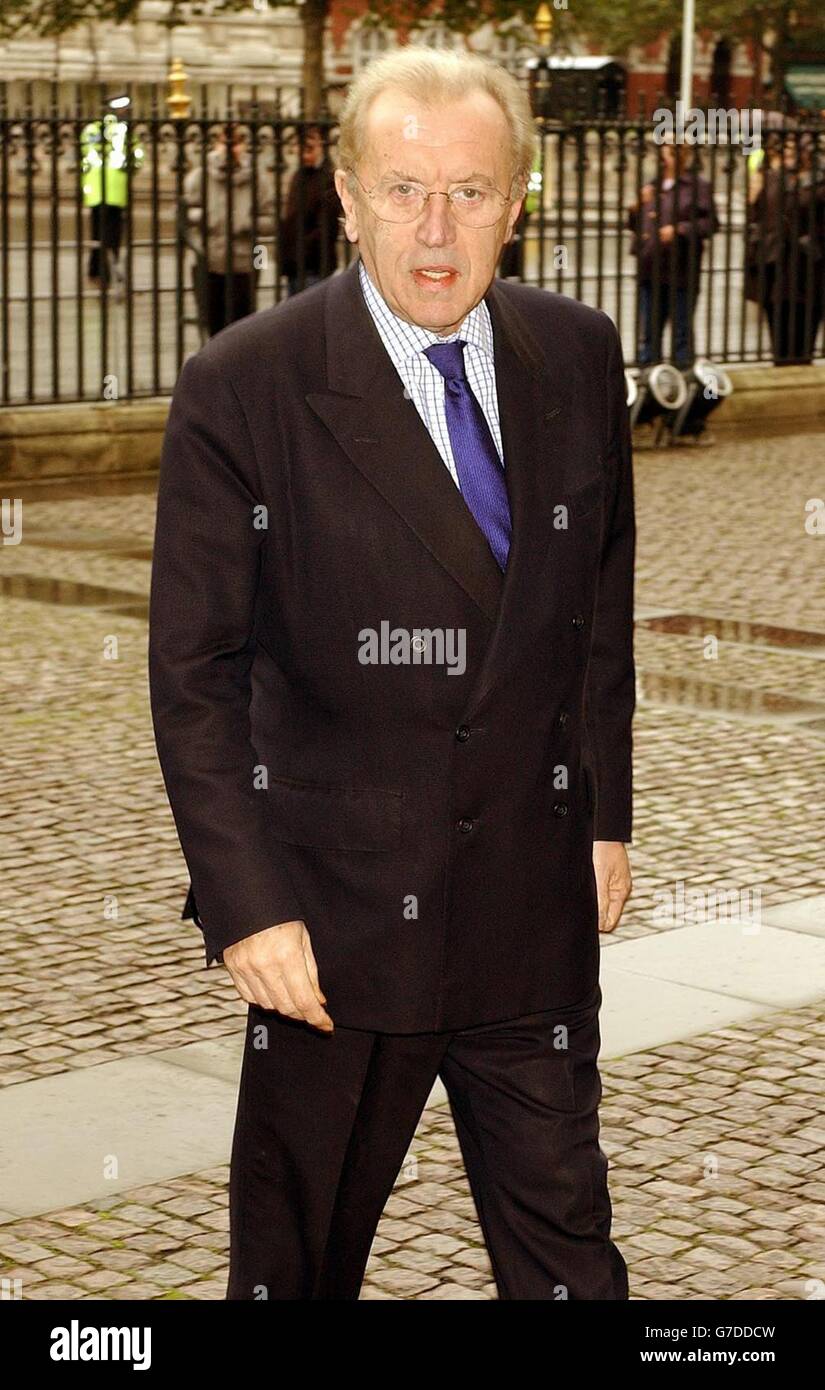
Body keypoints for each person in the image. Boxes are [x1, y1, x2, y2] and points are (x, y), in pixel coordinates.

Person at [149, 46, 635, 1302]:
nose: (436, 228)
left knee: (572, 1263)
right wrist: (248, 906)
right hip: (337, 936)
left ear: (517, 203)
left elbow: (596, 611)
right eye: (404, 189)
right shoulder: (242, 388)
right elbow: (195, 672)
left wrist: (604, 815)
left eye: (470, 192)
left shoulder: (578, 355)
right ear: (348, 198)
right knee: (298, 1267)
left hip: (529, 919)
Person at [627, 137, 719, 368]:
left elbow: (711, 224)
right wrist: (636, 206)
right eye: (664, 152)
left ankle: (683, 378)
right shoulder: (653, 185)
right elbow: (633, 225)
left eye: (671, 152)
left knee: (681, 332)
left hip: (681, 271)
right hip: (650, 268)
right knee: (649, 332)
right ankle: (649, 378)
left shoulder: (698, 187)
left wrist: (680, 229)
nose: (665, 157)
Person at [182, 125, 275, 337]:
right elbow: (183, 213)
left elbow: (271, 219)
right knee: (212, 327)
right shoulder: (200, 176)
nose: (231, 148)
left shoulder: (257, 178)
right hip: (207, 261)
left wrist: (248, 223)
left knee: (242, 329)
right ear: (217, 144)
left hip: (245, 264)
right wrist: (203, 216)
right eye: (226, 142)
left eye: (237, 143)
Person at [746, 131, 825, 365]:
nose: (789, 153)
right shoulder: (770, 179)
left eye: (794, 148)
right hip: (775, 271)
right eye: (786, 148)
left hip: (809, 272)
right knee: (779, 346)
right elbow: (757, 220)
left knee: (803, 346)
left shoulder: (820, 184)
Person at [80, 98, 144, 289]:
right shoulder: (125, 131)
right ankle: (110, 271)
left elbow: (85, 153)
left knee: (97, 234)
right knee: (113, 236)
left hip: (95, 189)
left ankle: (97, 271)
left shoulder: (92, 129)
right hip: (117, 189)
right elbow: (138, 157)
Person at [279, 125, 339, 296]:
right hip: (294, 264)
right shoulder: (299, 175)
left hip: (313, 265)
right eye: (300, 148)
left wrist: (299, 250)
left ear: (321, 146)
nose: (304, 155)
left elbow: (326, 229)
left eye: (309, 148)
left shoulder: (327, 179)